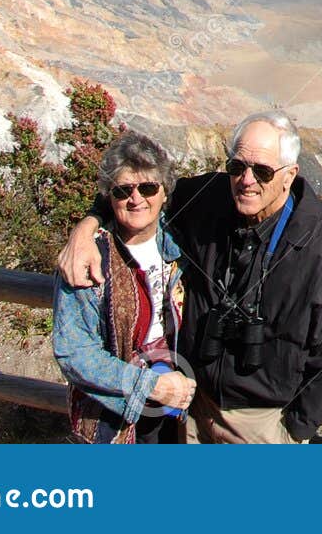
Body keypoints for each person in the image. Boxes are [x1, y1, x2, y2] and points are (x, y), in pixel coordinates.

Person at [58, 111, 322, 443]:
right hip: (192, 408)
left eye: (263, 171)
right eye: (237, 167)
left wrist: (296, 428)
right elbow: (137, 193)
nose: (247, 180)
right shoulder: (209, 198)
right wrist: (86, 226)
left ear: (289, 175)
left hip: (262, 422)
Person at [51, 131, 196, 443]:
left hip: (175, 401)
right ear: (109, 196)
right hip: (110, 416)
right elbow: (73, 351)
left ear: (165, 192)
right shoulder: (89, 259)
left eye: (147, 187)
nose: (136, 198)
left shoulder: (179, 243)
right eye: (123, 190)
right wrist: (149, 385)